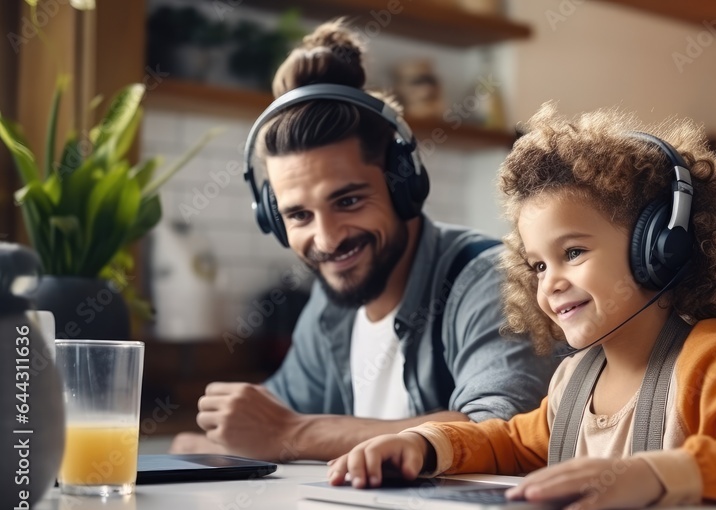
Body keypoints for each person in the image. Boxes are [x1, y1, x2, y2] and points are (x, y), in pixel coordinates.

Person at [327, 103, 716, 510]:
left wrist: (654, 474)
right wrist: (424, 445)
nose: (551, 283)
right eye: (538, 266)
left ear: (658, 248)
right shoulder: (575, 379)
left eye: (572, 253)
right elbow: (510, 444)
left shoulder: (712, 361)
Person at [170, 20, 557, 462]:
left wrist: (296, 435)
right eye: (298, 215)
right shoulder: (331, 304)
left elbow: (506, 433)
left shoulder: (489, 280)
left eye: (349, 200)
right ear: (273, 220)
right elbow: (269, 421)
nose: (328, 238)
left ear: (401, 183)